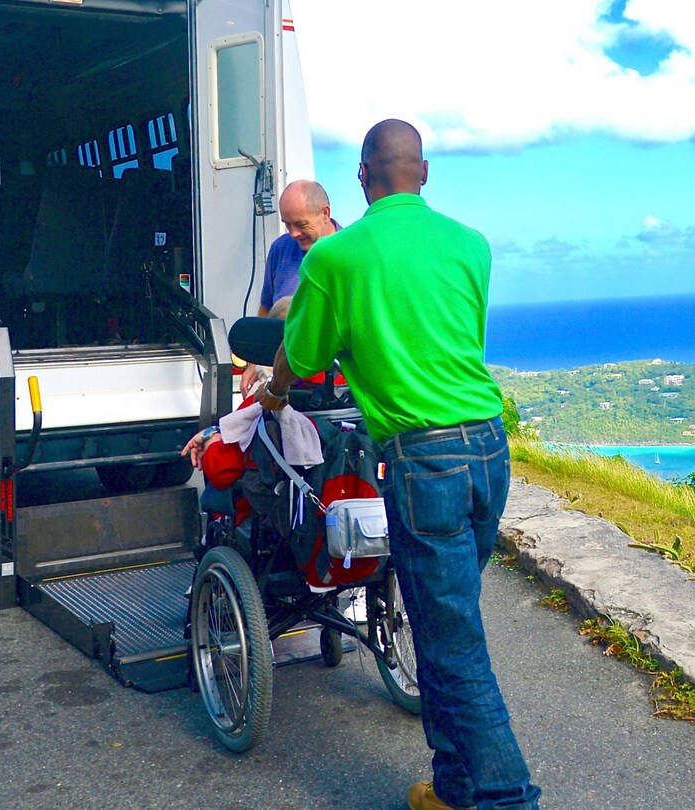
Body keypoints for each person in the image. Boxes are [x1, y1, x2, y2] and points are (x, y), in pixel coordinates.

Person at [258, 120, 539, 810]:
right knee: (448, 622)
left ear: (361, 177)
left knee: (454, 646)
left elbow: (307, 354)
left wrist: (274, 390)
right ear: (425, 172)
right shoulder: (471, 246)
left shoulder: (337, 259)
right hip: (489, 449)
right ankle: (453, 786)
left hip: (424, 460)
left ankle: (507, 799)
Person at [241, 180, 340, 396]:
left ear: (325, 213)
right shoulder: (280, 248)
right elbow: (266, 307)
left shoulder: (351, 252)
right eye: (287, 225)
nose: (294, 233)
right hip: (278, 373)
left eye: (301, 225)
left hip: (334, 380)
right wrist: (254, 362)